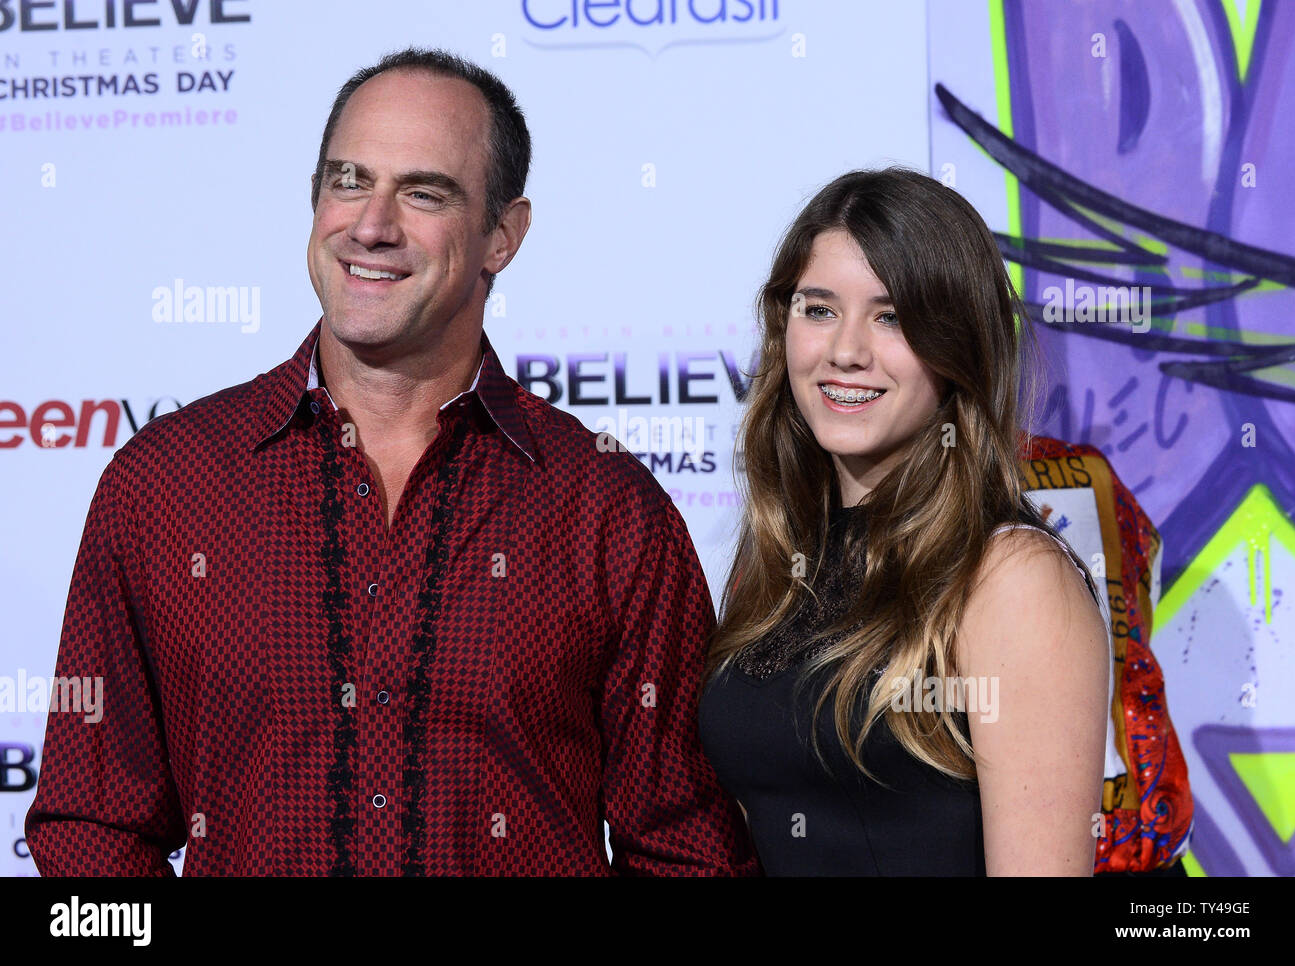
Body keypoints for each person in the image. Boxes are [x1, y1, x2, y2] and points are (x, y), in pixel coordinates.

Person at [25, 47, 758, 877]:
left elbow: (689, 850)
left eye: (422, 192)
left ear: (503, 236)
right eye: (348, 181)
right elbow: (91, 828)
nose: (371, 225)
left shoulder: (607, 508)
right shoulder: (165, 483)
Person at [698, 167, 1111, 876]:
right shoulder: (780, 554)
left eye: (891, 317)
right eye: (819, 309)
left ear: (958, 346)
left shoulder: (1012, 577)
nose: (846, 350)